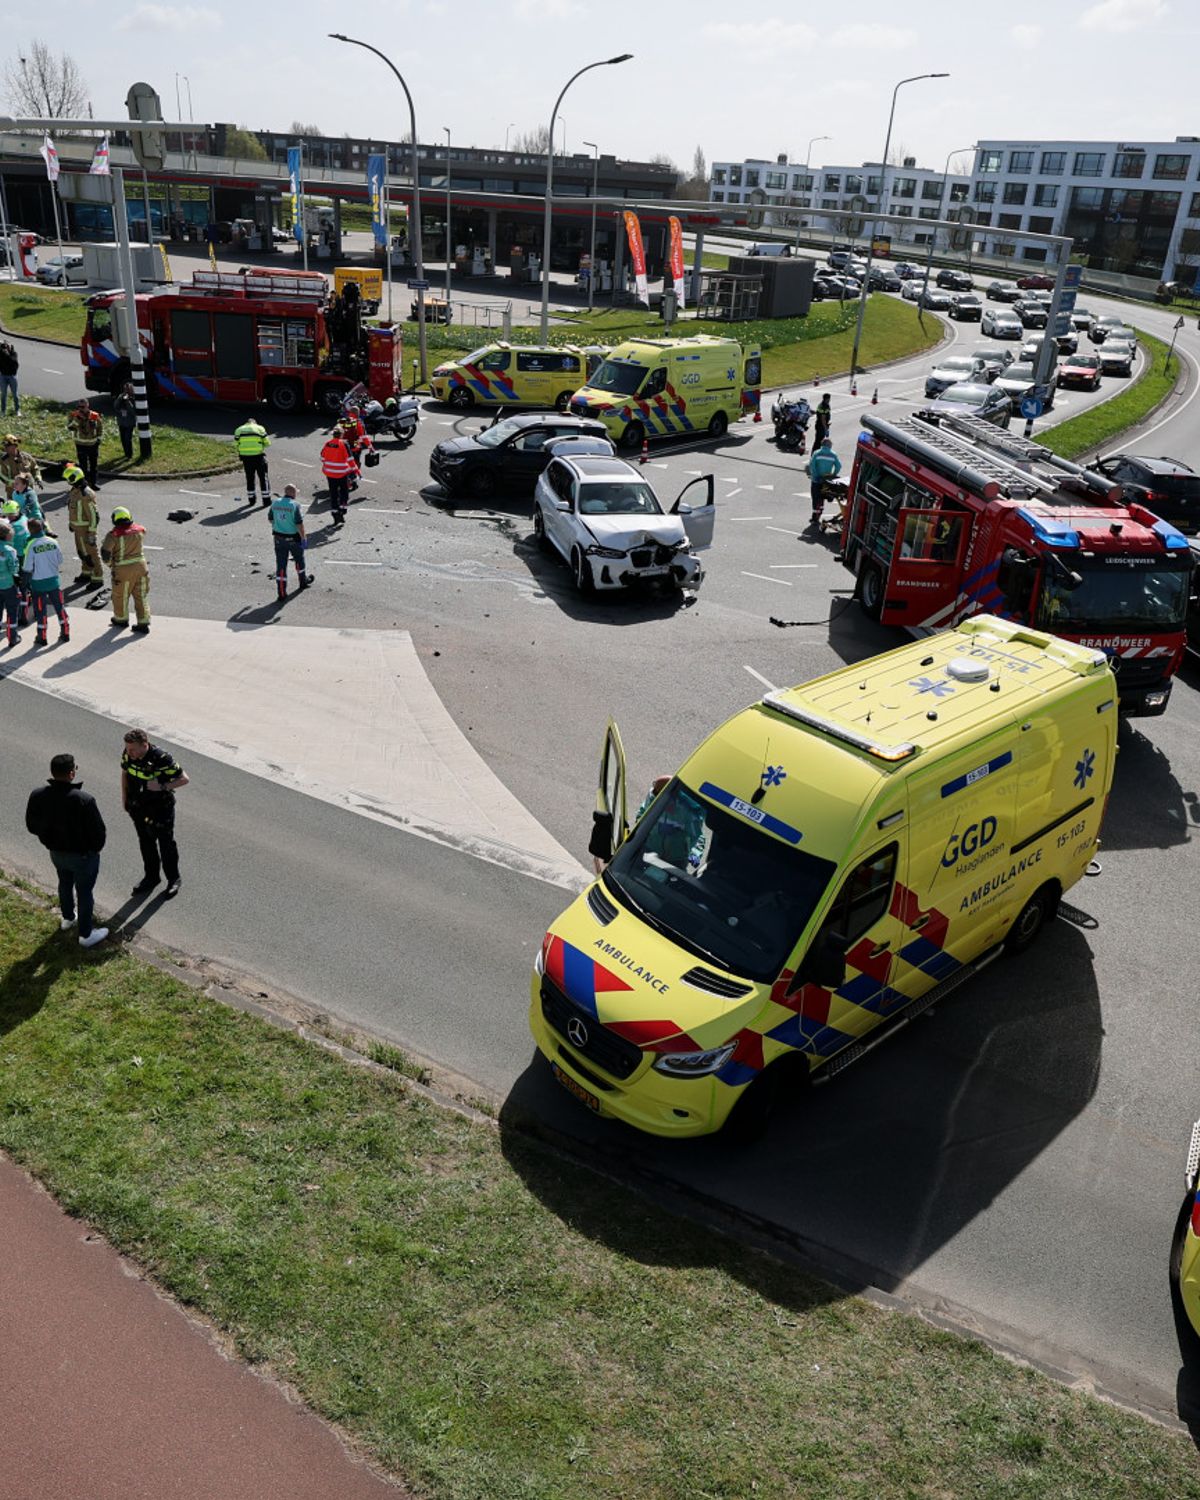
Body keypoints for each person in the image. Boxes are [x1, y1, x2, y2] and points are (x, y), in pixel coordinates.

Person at [24, 752, 109, 948]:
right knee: (84, 892)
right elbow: (98, 832)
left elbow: (31, 825)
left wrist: (49, 839)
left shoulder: (38, 795)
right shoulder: (84, 799)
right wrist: (94, 850)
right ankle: (86, 934)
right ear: (71, 773)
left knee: (64, 883)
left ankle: (68, 918)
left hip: (56, 853)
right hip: (83, 856)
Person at [121, 727, 189, 899]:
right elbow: (124, 773)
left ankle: (173, 879)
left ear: (144, 745)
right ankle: (151, 877)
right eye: (127, 749)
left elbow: (184, 779)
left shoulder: (161, 757)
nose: (129, 752)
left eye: (132, 749)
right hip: (138, 807)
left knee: (166, 845)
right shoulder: (128, 755)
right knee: (146, 843)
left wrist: (162, 786)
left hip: (161, 809)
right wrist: (124, 798)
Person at [100, 505, 150, 633]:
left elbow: (105, 554)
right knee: (141, 595)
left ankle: (121, 619)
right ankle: (143, 622)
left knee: (120, 596)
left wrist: (111, 565)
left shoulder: (113, 535)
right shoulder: (140, 530)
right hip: (141, 567)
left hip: (123, 570)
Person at [20, 516, 69, 646]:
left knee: (41, 611)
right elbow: (60, 560)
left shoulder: (31, 545)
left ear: (30, 530)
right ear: (42, 527)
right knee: (60, 608)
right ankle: (65, 632)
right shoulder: (53, 542)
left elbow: (27, 568)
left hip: (38, 585)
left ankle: (42, 637)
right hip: (54, 582)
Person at [268, 482, 312, 598]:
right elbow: (299, 524)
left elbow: (271, 519)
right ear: (293, 493)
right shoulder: (294, 505)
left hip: (278, 539)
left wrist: (279, 525)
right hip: (293, 539)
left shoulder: (275, 503)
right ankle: (302, 582)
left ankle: (281, 592)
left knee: (281, 565)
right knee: (299, 560)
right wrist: (304, 538)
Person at [63, 462, 104, 588]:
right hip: (77, 529)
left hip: (86, 530)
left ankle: (97, 578)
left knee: (91, 554)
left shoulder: (86, 494)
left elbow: (94, 516)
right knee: (82, 552)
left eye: (69, 479)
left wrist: (92, 533)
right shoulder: (75, 490)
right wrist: (71, 524)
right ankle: (86, 573)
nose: (68, 482)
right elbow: (73, 509)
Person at [320, 428, 359, 526]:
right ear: (342, 435)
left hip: (330, 473)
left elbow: (322, 457)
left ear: (333, 435)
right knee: (344, 492)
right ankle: (342, 510)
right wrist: (356, 471)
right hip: (342, 473)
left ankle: (335, 514)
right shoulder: (344, 444)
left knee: (333, 494)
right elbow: (350, 459)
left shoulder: (327, 443)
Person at [234, 415, 271, 505]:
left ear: (246, 423)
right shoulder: (260, 428)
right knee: (263, 478)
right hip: (258, 457)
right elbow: (267, 443)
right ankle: (266, 500)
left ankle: (251, 499)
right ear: (255, 422)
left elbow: (235, 444)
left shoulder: (239, 430)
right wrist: (260, 446)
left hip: (246, 458)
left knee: (250, 478)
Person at [806, 439, 843, 527]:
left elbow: (812, 465)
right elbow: (838, 466)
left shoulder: (817, 453)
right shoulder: (833, 454)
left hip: (816, 480)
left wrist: (815, 475)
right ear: (830, 446)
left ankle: (815, 517)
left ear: (822, 445)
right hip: (826, 480)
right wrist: (833, 475)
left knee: (815, 497)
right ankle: (820, 512)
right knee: (822, 496)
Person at [67, 399, 103, 488]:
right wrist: (78, 419)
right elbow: (70, 427)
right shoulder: (74, 415)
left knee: (94, 465)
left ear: (87, 406)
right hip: (80, 444)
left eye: (82, 407)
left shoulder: (94, 415)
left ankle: (93, 483)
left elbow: (100, 428)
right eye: (79, 407)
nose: (80, 409)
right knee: (83, 466)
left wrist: (98, 439)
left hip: (93, 444)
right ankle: (84, 484)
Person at [0, 519, 21, 647]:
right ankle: (12, 637)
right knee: (12, 611)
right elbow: (14, 569)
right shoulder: (10, 551)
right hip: (8, 585)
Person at [114, 381, 137, 460]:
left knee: (128, 439)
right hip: (122, 422)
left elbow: (133, 412)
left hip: (130, 422)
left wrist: (128, 402)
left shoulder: (134, 398)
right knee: (123, 439)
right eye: (125, 389)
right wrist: (120, 399)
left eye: (128, 389)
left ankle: (129, 455)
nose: (126, 391)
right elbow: (115, 407)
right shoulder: (121, 397)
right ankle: (126, 453)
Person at [0, 339, 20, 417]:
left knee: (15, 395)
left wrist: (7, 354)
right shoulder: (1, 354)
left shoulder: (14, 354)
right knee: (3, 395)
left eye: (7, 346)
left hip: (12, 376)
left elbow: (14, 363)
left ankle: (17, 410)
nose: (6, 348)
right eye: (5, 346)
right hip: (3, 376)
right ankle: (3, 411)